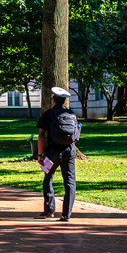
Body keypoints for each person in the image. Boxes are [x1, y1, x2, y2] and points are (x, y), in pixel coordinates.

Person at [36, 87, 79, 221]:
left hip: (53, 151)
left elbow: (41, 135)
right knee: (70, 182)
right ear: (64, 102)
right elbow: (76, 137)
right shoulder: (71, 114)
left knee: (48, 178)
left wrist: (39, 154)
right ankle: (66, 215)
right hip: (69, 150)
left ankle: (49, 211)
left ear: (53, 100)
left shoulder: (48, 114)